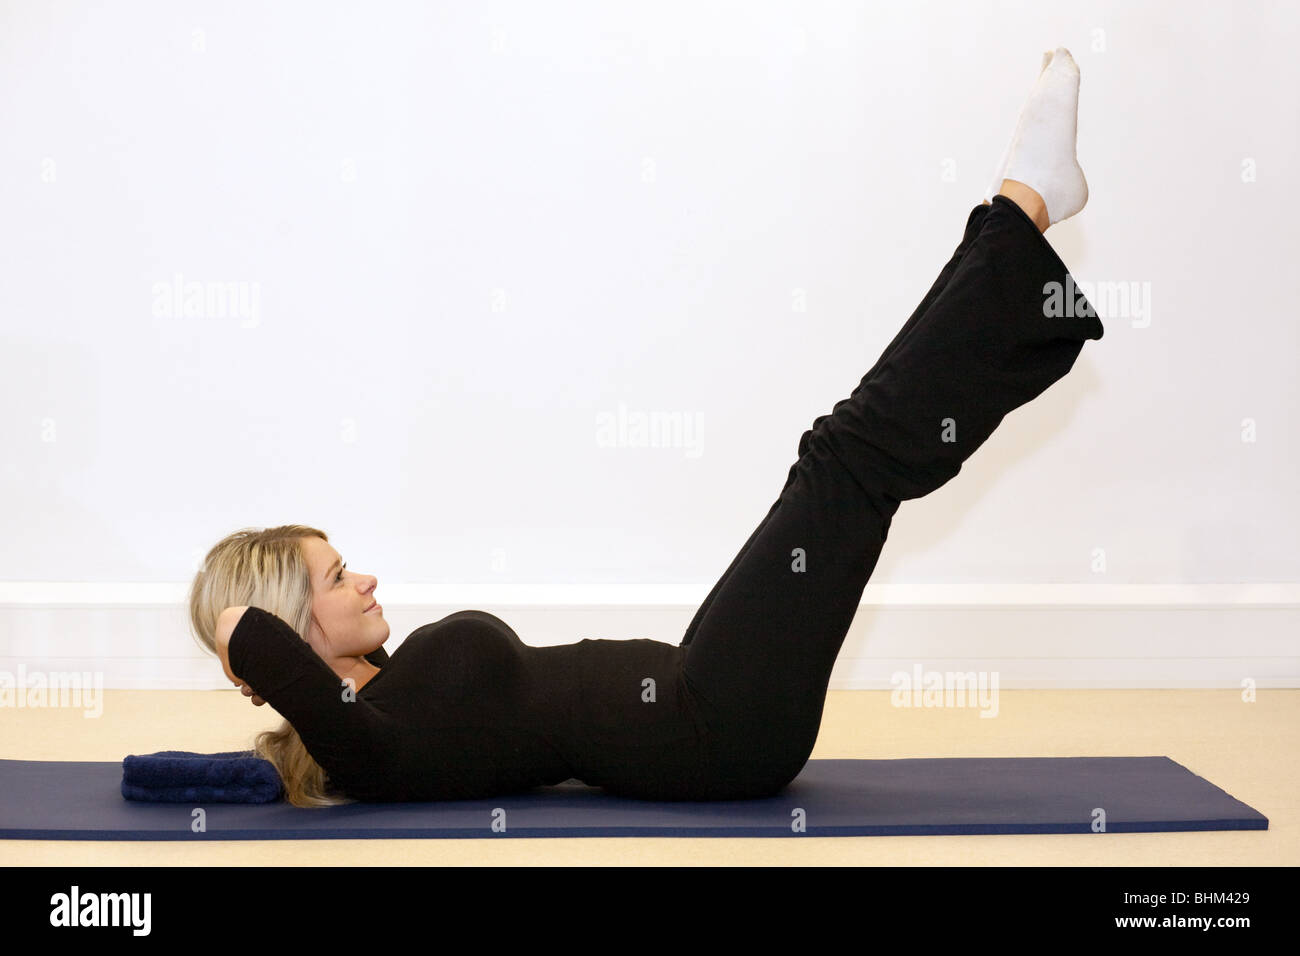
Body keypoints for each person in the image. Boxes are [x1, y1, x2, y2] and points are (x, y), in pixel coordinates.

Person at [192, 48, 1102, 807]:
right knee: (846, 463)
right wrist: (233, 626)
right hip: (715, 730)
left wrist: (272, 643)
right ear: (286, 625)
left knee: (841, 460)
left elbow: (264, 660)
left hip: (700, 687)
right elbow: (246, 632)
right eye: (338, 577)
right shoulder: (363, 744)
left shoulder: (377, 704)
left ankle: (1011, 220)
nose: (367, 578)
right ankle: (1022, 207)